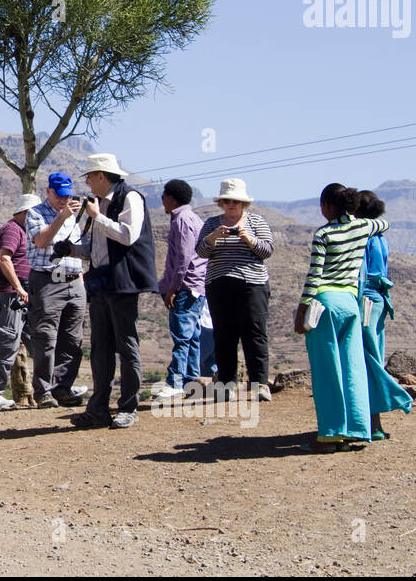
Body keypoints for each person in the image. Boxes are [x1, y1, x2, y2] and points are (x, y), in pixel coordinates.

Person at [294, 183, 401, 452]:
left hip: (325, 303)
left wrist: (302, 308)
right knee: (353, 369)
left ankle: (331, 435)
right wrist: (356, 218)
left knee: (328, 370)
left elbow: (314, 274)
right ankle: (357, 430)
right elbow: (384, 224)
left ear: (328, 207)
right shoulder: (364, 228)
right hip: (350, 305)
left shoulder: (324, 234)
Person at [68, 154, 158, 429]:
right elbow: (99, 249)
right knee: (100, 347)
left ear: (102, 176)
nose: (86, 181)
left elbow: (128, 235)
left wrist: (97, 218)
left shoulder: (130, 198)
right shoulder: (101, 203)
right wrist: (73, 250)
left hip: (122, 282)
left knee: (126, 344)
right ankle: (99, 409)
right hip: (101, 282)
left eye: (90, 176)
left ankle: (128, 407)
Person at [195, 177, 275, 402]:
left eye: (236, 201)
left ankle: (260, 384)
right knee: (224, 334)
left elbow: (267, 251)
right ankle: (226, 386)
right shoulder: (211, 223)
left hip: (253, 284)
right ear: (221, 202)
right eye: (228, 200)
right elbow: (201, 251)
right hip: (219, 284)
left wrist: (247, 238)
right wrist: (213, 237)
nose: (232, 204)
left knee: (254, 333)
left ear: (244, 203)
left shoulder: (257, 221)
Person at [25, 173, 90, 408]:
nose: (65, 201)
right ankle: (43, 391)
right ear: (48, 192)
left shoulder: (75, 216)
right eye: (60, 196)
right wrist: (61, 218)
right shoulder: (36, 213)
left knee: (72, 338)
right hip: (47, 280)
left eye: (68, 196)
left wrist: (81, 277)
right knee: (45, 337)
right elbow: (41, 241)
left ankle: (63, 387)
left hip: (74, 279)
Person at [355, 190, 412, 439]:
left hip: (366, 301)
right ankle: (373, 421)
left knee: (367, 359)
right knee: (374, 354)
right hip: (378, 302)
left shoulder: (364, 238)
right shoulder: (381, 238)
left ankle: (375, 419)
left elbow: (361, 275)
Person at [0, 193, 41, 410]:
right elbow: (4, 259)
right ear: (26, 212)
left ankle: (48, 389)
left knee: (38, 340)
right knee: (6, 342)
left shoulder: (25, 231)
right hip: (10, 295)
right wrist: (18, 288)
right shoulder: (12, 230)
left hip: (23, 293)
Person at [156, 179, 208, 400]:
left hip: (186, 287)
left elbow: (183, 259)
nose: (162, 201)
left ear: (171, 198)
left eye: (164, 196)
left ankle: (176, 380)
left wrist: (172, 289)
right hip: (197, 287)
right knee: (193, 337)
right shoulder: (193, 218)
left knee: (182, 336)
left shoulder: (182, 221)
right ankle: (191, 382)